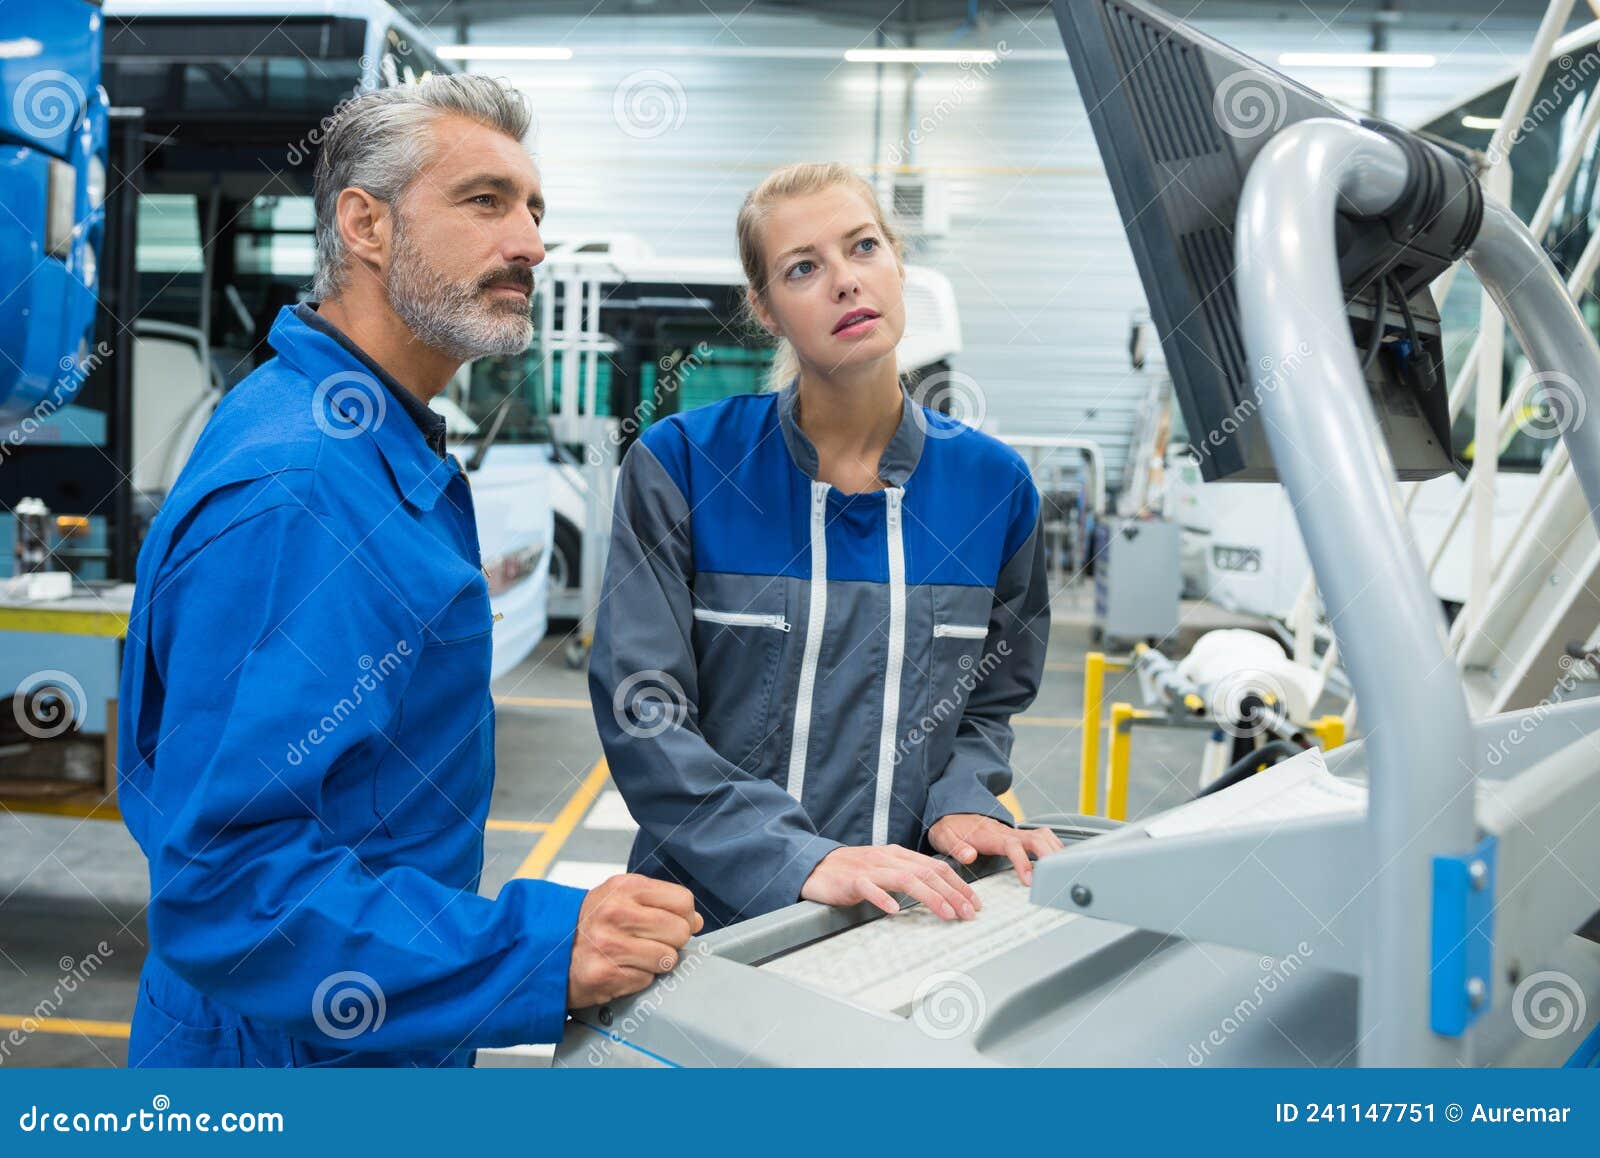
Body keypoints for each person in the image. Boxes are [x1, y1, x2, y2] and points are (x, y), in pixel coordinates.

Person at [117, 75, 698, 1069]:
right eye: (486, 201)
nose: (530, 243)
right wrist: (540, 950)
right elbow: (230, 886)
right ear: (366, 225)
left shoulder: (358, 439)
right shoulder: (305, 488)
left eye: (534, 210)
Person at [590, 161, 1061, 934]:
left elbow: (990, 698)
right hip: (704, 921)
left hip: (907, 912)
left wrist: (963, 798)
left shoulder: (993, 488)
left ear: (899, 261)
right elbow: (645, 712)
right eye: (802, 268)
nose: (845, 281)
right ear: (765, 309)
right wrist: (795, 858)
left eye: (864, 247)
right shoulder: (683, 466)